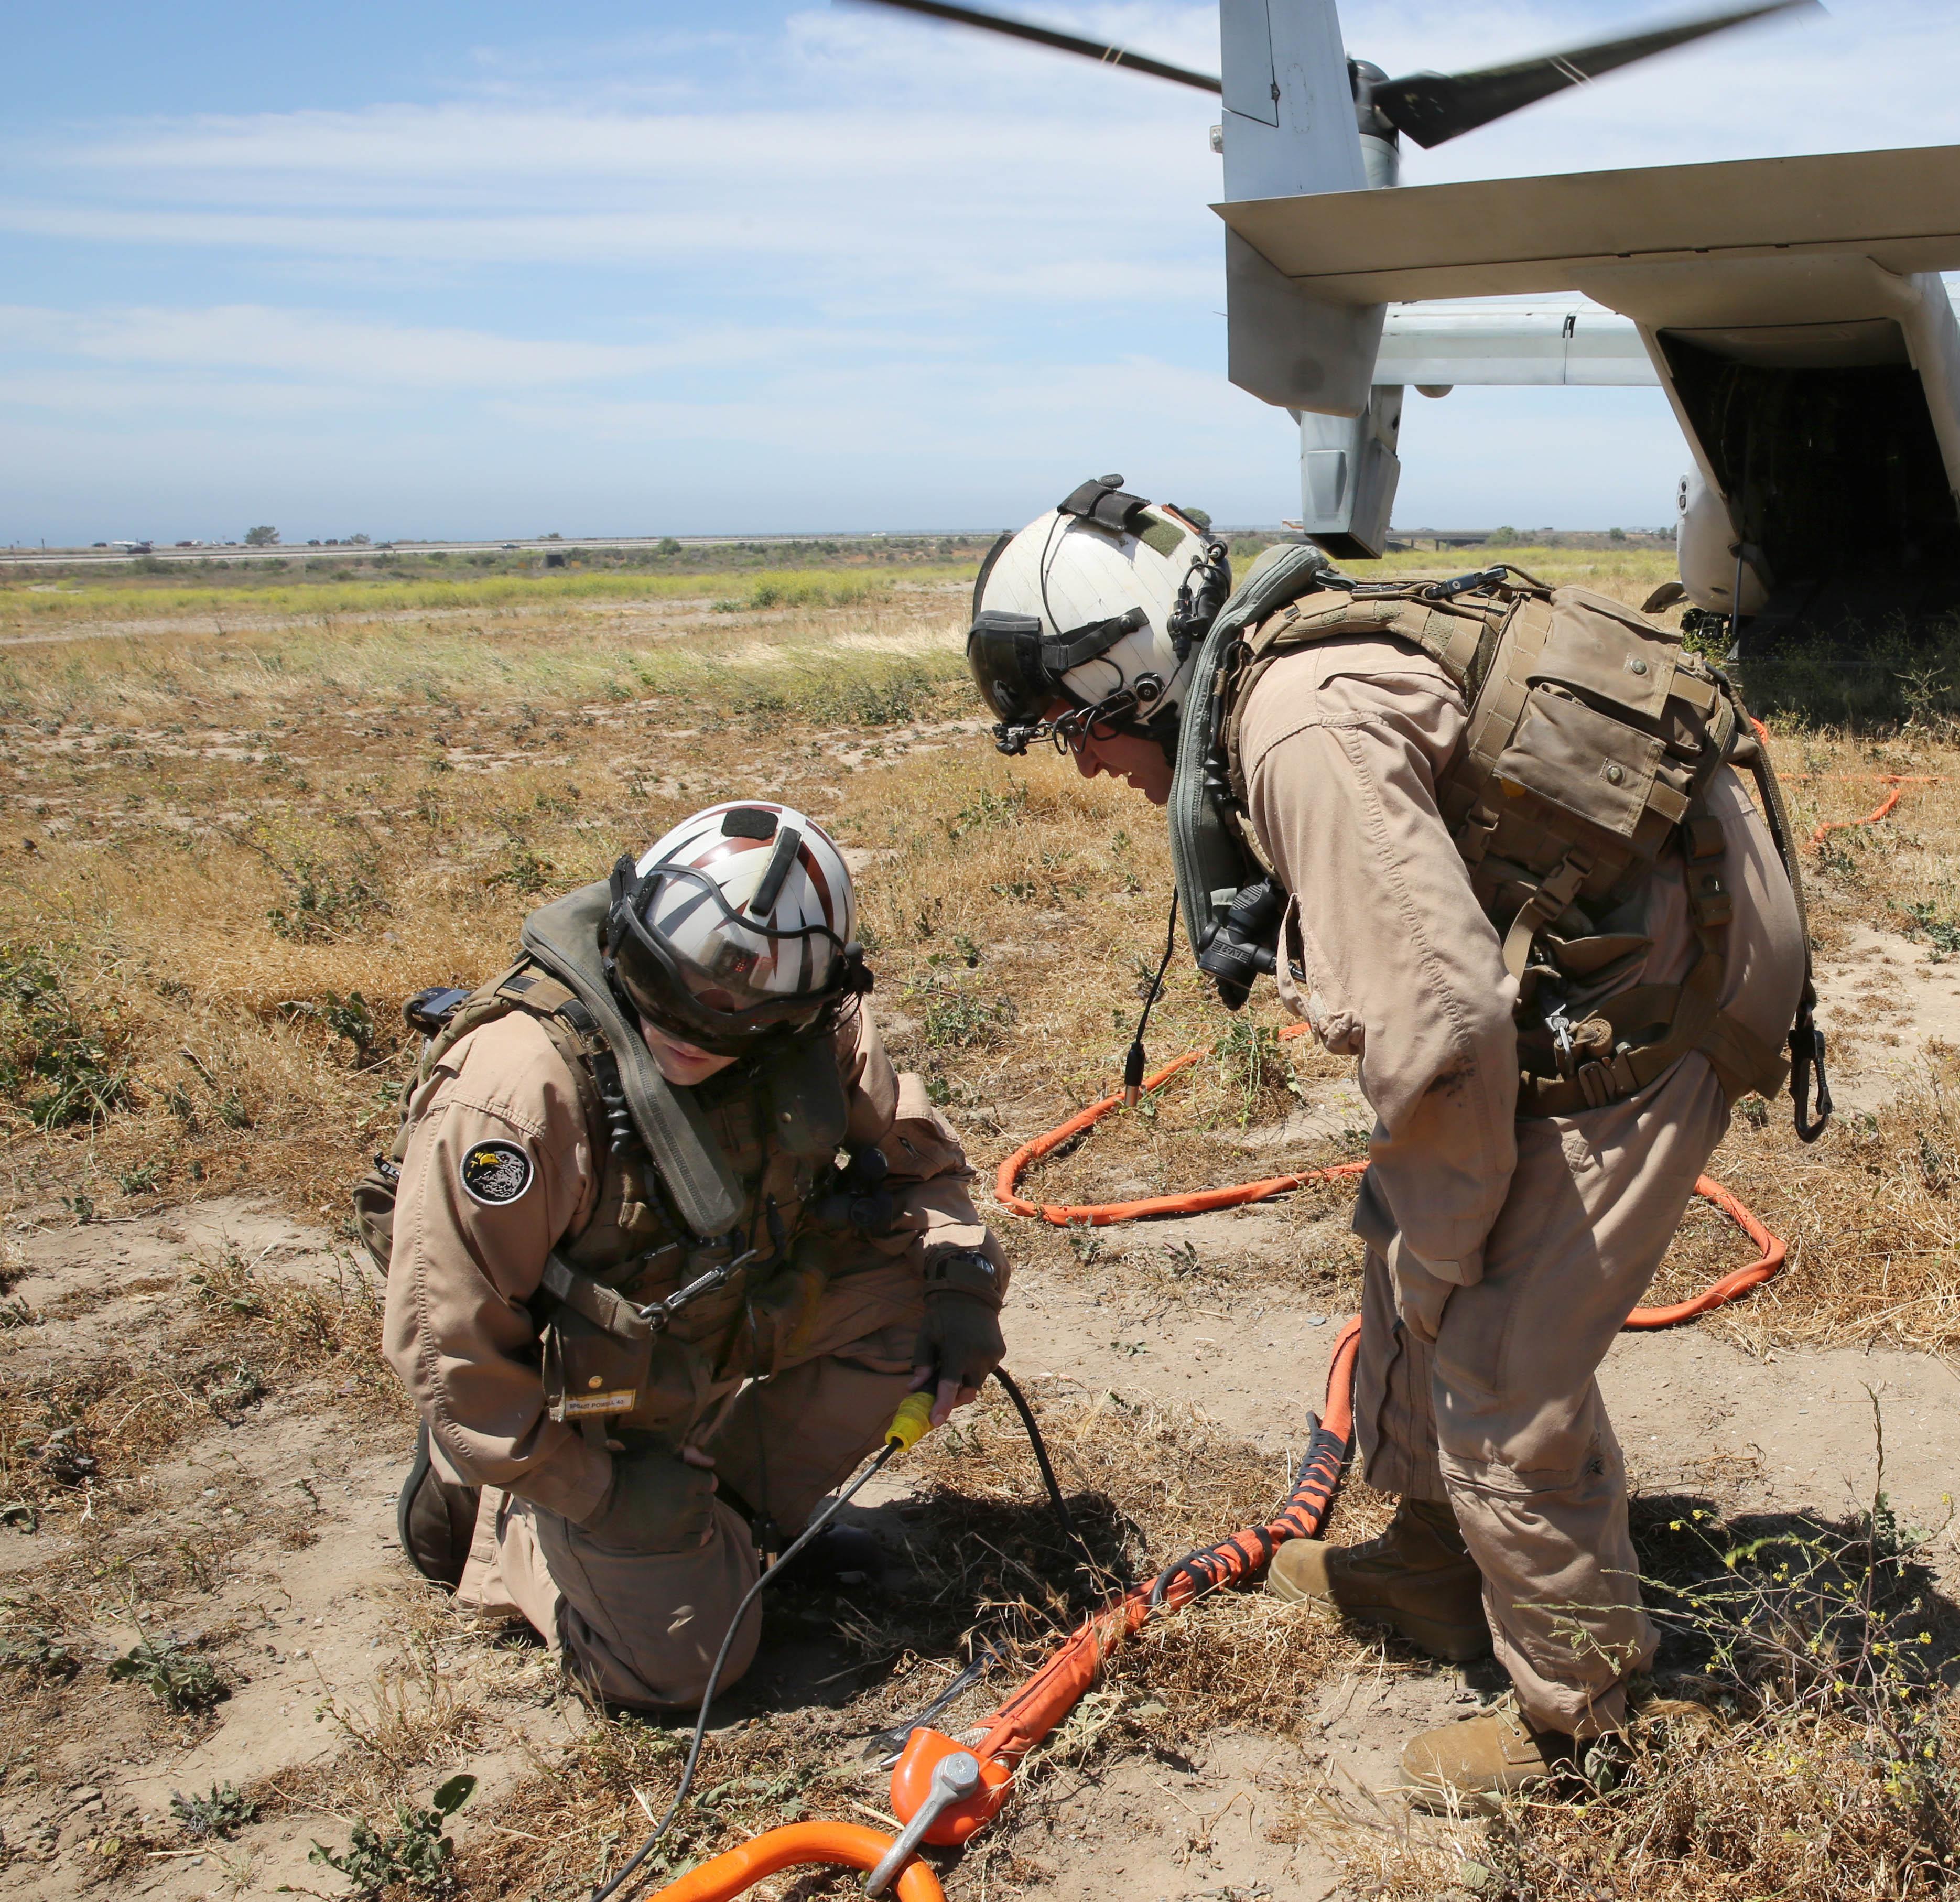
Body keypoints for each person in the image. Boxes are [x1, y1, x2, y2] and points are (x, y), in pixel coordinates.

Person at [965, 483, 1812, 1802]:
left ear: (1129, 679)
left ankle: (1591, 1716)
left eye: (1071, 728)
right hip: (1612, 938)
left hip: (1676, 982)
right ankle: (1435, 1559)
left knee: (1492, 1355)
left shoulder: (1293, 728)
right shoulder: (1277, 675)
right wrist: (1419, 1228)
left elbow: (1443, 1036)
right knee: (1406, 1240)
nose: (1078, 762)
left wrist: (1447, 1238)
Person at [367, 801, 1010, 1709]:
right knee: (682, 1673)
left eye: (747, 1014)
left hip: (717, 1323)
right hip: (583, 1395)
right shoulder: (519, 1089)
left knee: (918, 1292)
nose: (701, 1027)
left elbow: (918, 1163)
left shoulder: (816, 1022)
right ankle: (496, 1510)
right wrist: (594, 1492)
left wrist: (960, 1280)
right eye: (678, 992)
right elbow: (452, 1356)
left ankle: (728, 1529)